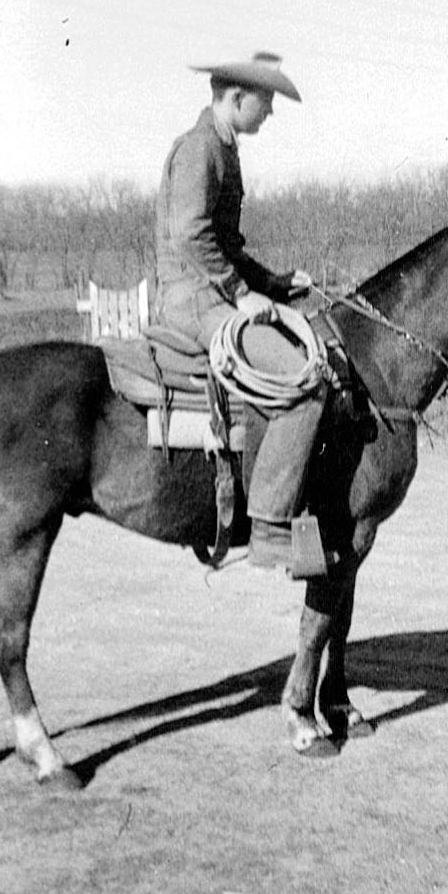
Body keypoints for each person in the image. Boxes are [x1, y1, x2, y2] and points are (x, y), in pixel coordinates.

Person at [154, 52, 325, 569]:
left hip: (212, 292)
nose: (269, 113)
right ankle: (272, 526)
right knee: (305, 385)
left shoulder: (223, 148)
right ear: (236, 99)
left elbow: (223, 243)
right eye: (266, 102)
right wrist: (239, 291)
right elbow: (190, 235)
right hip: (194, 302)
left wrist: (269, 282)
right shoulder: (201, 148)